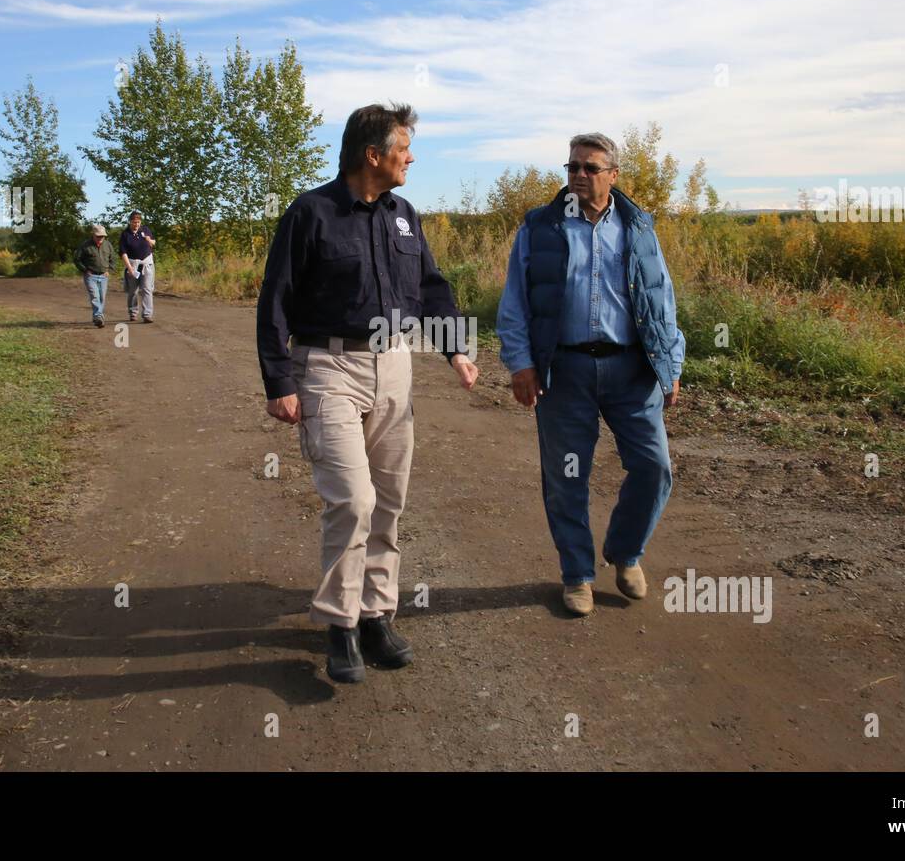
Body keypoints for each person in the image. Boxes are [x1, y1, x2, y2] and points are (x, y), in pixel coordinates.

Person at [257, 102, 480, 684]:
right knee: (353, 500)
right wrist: (279, 381)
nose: (412, 158)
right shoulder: (311, 213)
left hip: (395, 364)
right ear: (373, 155)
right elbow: (275, 299)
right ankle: (340, 623)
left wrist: (456, 349)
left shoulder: (405, 215)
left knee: (387, 499)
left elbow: (432, 288)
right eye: (404, 148)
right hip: (327, 366)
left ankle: (378, 614)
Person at [496, 132, 685, 617]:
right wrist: (521, 362)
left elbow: (661, 299)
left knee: (654, 467)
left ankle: (625, 552)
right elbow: (515, 300)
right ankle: (578, 574)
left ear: (613, 175)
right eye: (573, 166)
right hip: (565, 369)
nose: (579, 175)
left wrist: (671, 363)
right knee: (567, 475)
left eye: (590, 168)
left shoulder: (638, 226)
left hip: (632, 369)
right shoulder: (541, 226)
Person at [74, 224, 116, 327]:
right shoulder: (85, 245)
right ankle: (98, 316)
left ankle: (97, 317)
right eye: (98, 236)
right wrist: (85, 270)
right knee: (95, 296)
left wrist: (109, 270)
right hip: (90, 276)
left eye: (102, 236)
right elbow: (77, 259)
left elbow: (113, 259)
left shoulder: (108, 245)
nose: (100, 238)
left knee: (101, 297)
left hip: (104, 276)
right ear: (93, 235)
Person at [120, 210, 156, 324]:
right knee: (133, 291)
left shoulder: (145, 230)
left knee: (147, 289)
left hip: (146, 263)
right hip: (132, 264)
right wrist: (129, 268)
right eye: (134, 222)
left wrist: (149, 240)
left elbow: (153, 243)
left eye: (138, 222)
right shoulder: (125, 234)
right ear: (130, 222)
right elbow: (123, 252)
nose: (136, 224)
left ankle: (147, 314)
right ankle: (133, 312)